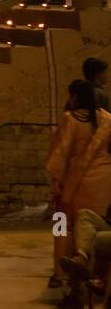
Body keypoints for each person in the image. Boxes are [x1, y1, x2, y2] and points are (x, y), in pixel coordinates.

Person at [44, 79, 111, 292]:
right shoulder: (107, 119)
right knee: (94, 228)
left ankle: (61, 273)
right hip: (101, 184)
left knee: (62, 227)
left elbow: (60, 153)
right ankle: (96, 276)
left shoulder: (70, 119)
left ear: (74, 97)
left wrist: (56, 182)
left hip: (71, 184)